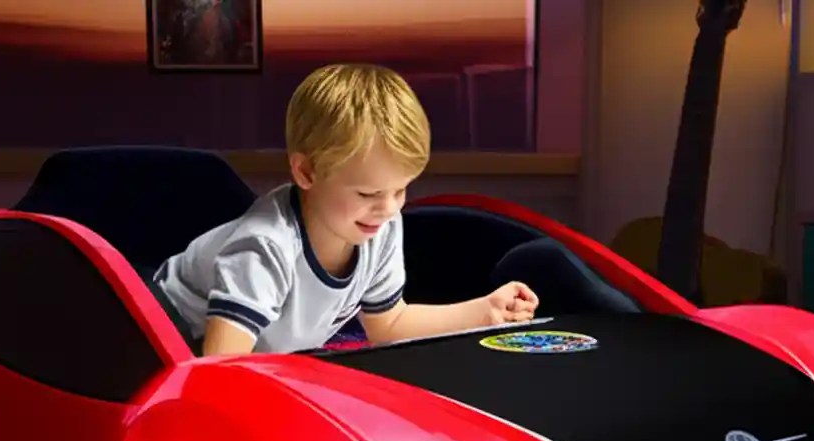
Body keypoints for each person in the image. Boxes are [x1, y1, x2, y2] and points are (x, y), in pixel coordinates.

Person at [154, 63, 539, 356]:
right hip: (165, 334)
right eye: (368, 192)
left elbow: (389, 324)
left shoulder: (381, 225)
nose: (388, 208)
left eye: (400, 189)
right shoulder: (266, 246)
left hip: (258, 353)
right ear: (306, 172)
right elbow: (220, 366)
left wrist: (484, 311)